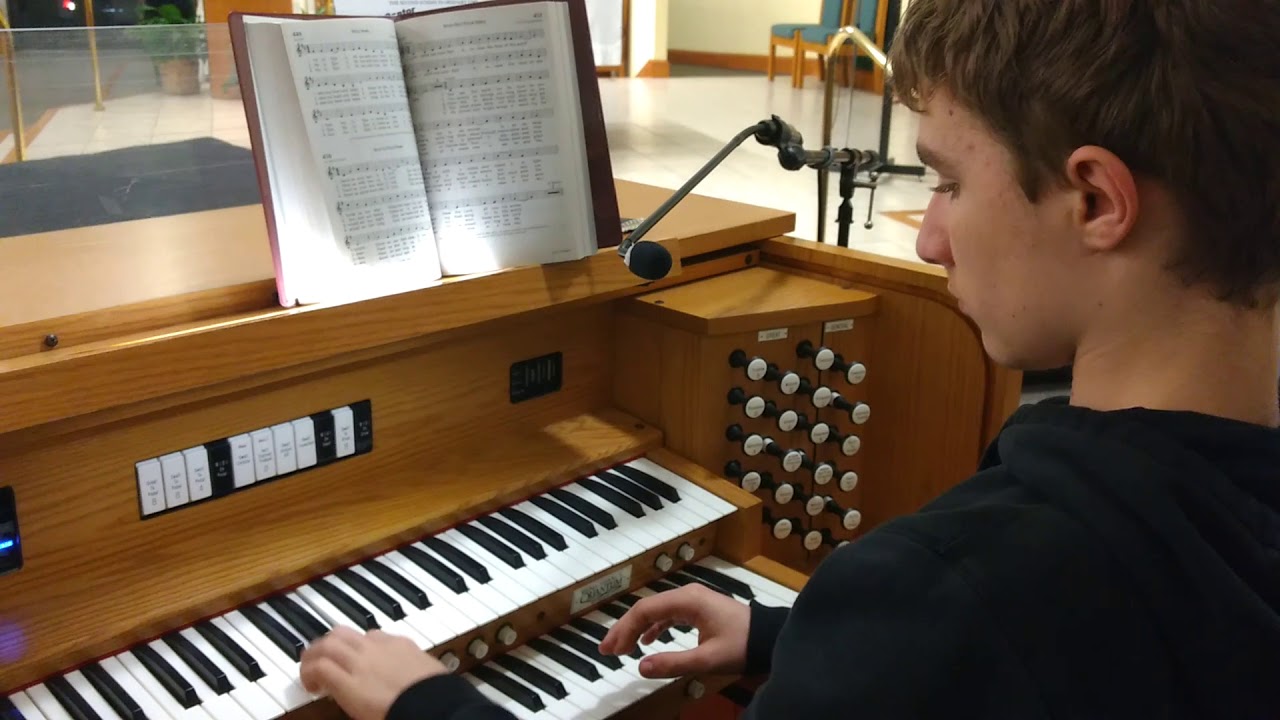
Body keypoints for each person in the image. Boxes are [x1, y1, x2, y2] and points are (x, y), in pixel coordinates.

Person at [295, 0, 1280, 717]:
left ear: (1096, 203)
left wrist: (425, 703)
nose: (929, 240)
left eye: (944, 181)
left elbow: (978, 639)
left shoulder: (961, 588)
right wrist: (800, 646)